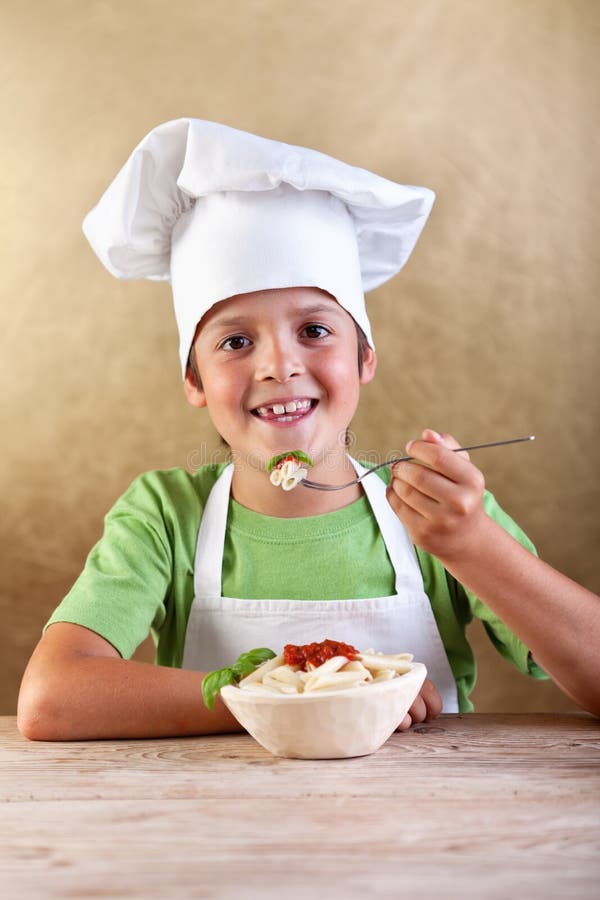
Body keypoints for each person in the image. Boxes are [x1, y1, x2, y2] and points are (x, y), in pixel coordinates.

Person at [17, 119, 600, 741]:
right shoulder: (165, 516)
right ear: (194, 381)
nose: (279, 366)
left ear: (364, 357)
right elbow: (52, 699)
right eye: (236, 341)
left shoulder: (443, 514)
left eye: (316, 331)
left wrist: (471, 544)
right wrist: (305, 689)